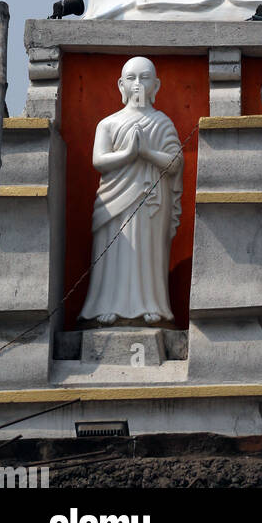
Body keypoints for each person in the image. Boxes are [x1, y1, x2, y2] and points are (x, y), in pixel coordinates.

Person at [79, 57, 183, 326]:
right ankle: (108, 303)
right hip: (114, 199)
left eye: (145, 77)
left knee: (147, 252)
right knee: (114, 254)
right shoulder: (109, 124)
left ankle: (152, 304)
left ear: (156, 84)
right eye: (132, 78)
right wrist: (127, 154)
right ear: (120, 84)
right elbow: (99, 161)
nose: (138, 84)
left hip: (150, 201)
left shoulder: (162, 123)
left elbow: (175, 164)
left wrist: (146, 152)